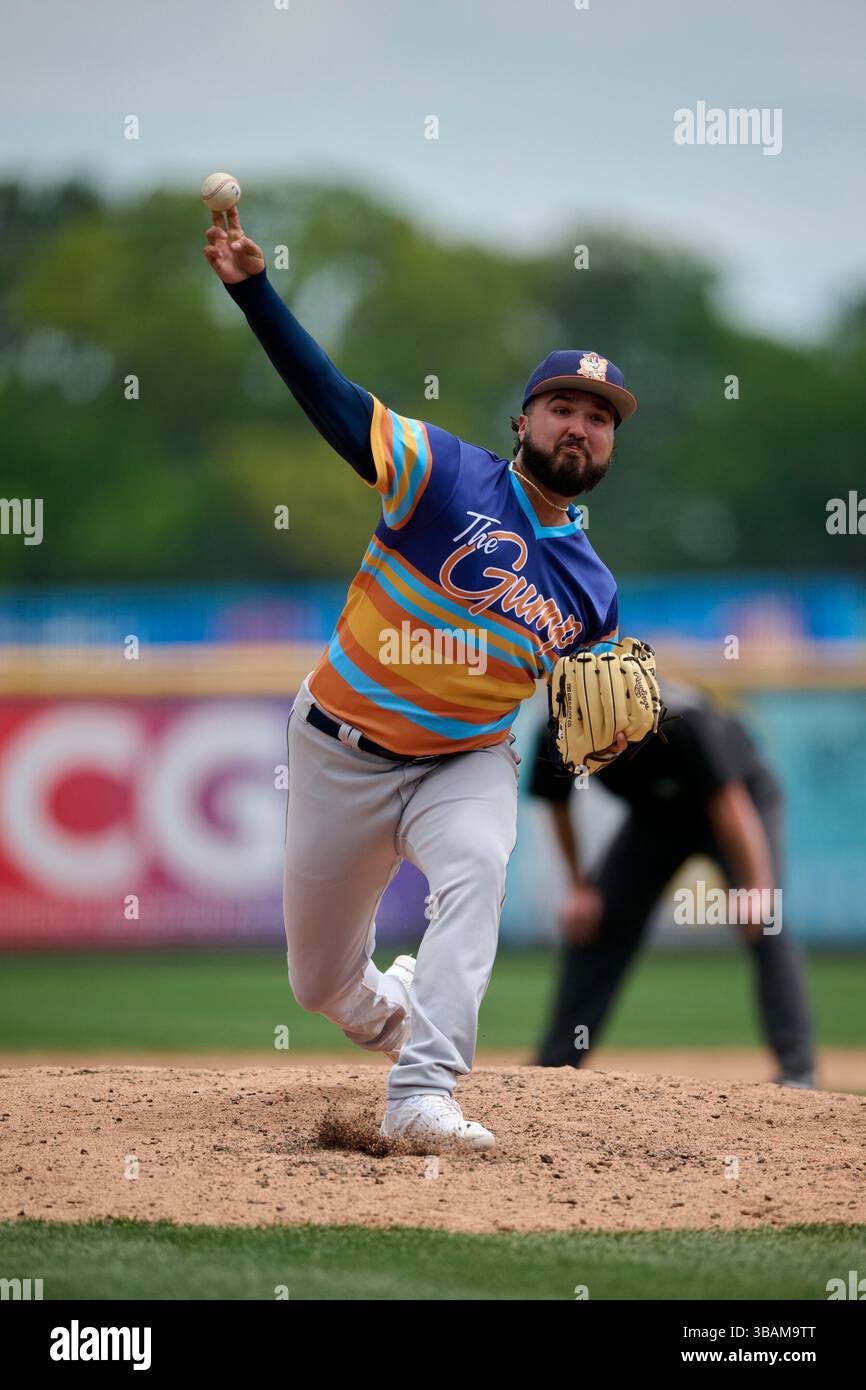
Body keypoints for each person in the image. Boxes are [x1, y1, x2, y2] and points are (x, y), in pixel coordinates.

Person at [204, 206, 635, 1148]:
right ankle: (396, 1015)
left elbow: (588, 727)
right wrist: (252, 290)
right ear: (523, 420)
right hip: (338, 751)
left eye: (599, 417)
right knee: (317, 984)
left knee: (478, 870)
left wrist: (616, 746)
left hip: (464, 763)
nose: (580, 425)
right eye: (564, 406)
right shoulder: (439, 473)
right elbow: (330, 397)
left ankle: (422, 1092)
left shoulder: (594, 593)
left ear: (609, 447)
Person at [529, 681, 817, 1088]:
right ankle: (553, 1068)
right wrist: (579, 888)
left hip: (737, 807)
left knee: (765, 921)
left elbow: (730, 803)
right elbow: (558, 804)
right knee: (599, 921)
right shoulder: (560, 730)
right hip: (654, 818)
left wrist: (756, 887)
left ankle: (798, 1071)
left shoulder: (684, 722)